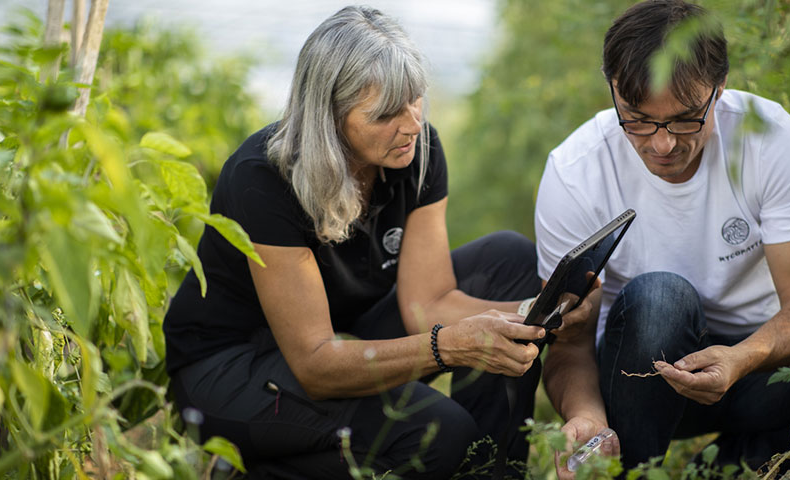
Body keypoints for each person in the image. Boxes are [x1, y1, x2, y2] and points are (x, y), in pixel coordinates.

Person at [163, 6, 560, 479]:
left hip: (335, 335)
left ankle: (492, 472)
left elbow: (426, 305)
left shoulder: (416, 152)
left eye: (414, 99)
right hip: (229, 369)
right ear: (328, 117)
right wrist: (446, 348)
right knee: (441, 433)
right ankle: (258, 466)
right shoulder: (263, 178)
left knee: (507, 259)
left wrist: (529, 315)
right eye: (387, 113)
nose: (412, 123)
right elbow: (314, 363)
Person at [536, 0, 790, 477]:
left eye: (685, 119)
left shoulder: (769, 141)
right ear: (613, 90)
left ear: (720, 89)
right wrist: (587, 419)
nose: (662, 144)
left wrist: (741, 359)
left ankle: (741, 464)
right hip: (638, 379)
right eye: (637, 119)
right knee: (660, 297)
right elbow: (568, 345)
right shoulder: (575, 172)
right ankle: (627, 471)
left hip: (758, 364)